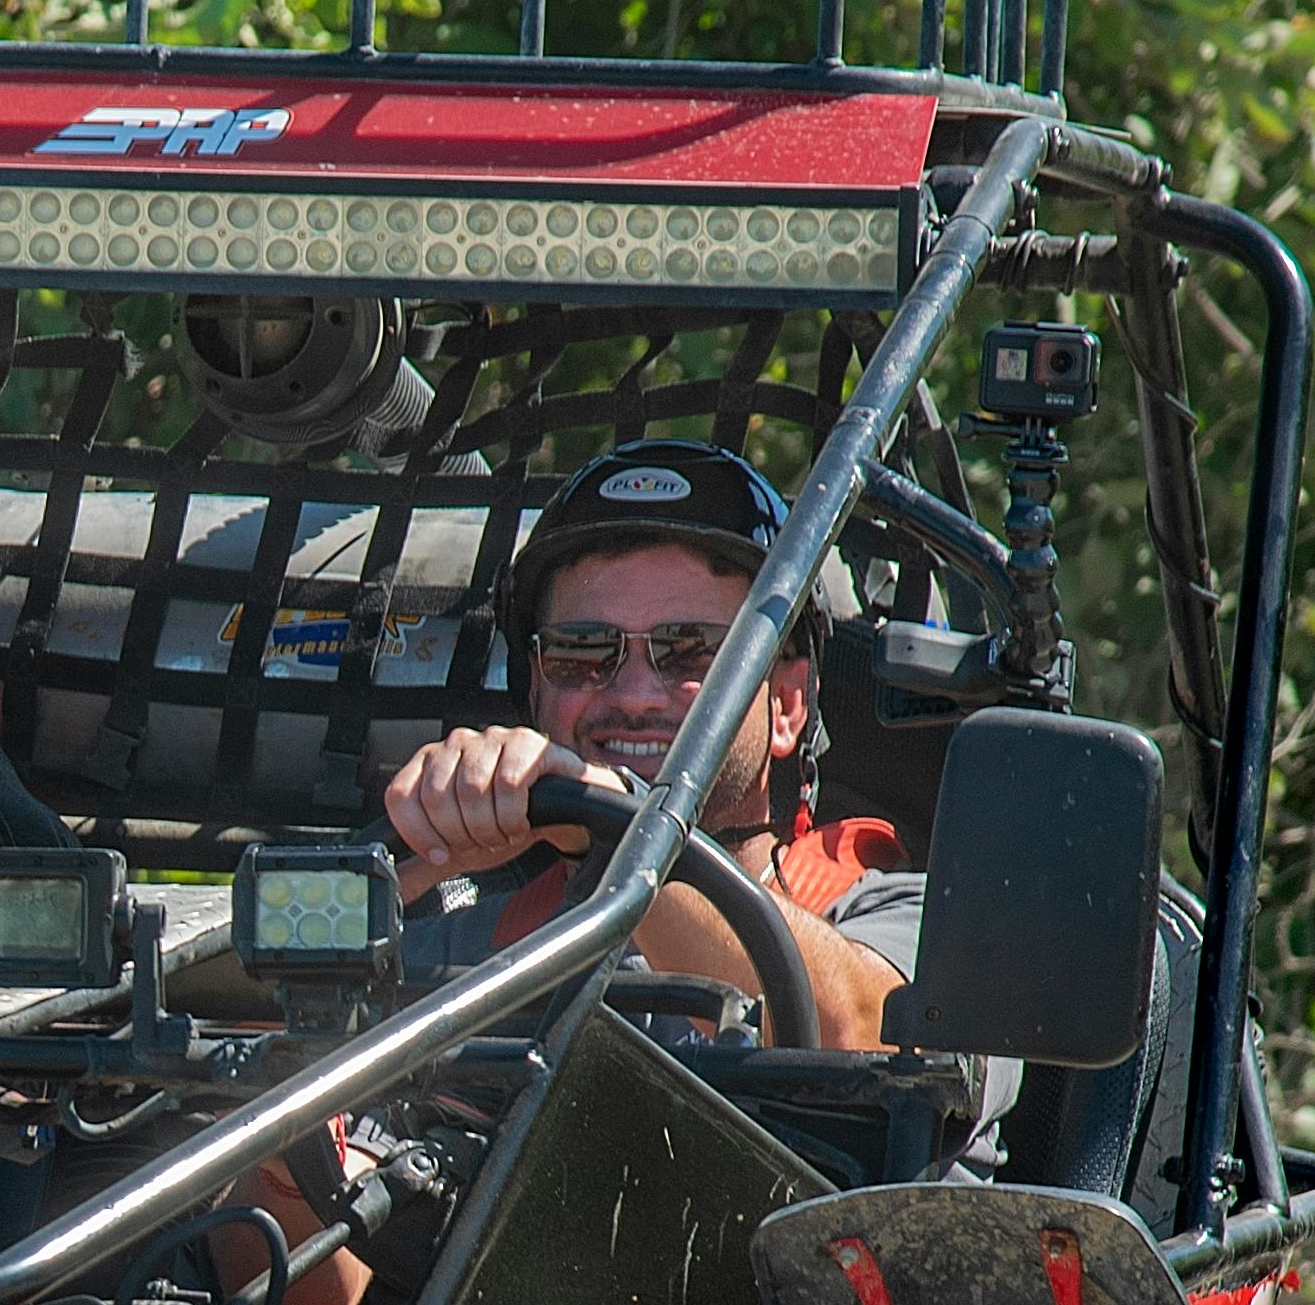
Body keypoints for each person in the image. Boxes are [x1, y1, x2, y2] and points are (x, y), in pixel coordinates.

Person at [375, 439, 914, 1045]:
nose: (634, 696)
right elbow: (295, 1043)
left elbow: (861, 1031)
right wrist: (405, 869)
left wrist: (614, 825)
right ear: (534, 689)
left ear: (786, 705)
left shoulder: (903, 919)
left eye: (690, 651)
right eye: (582, 652)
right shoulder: (475, 946)